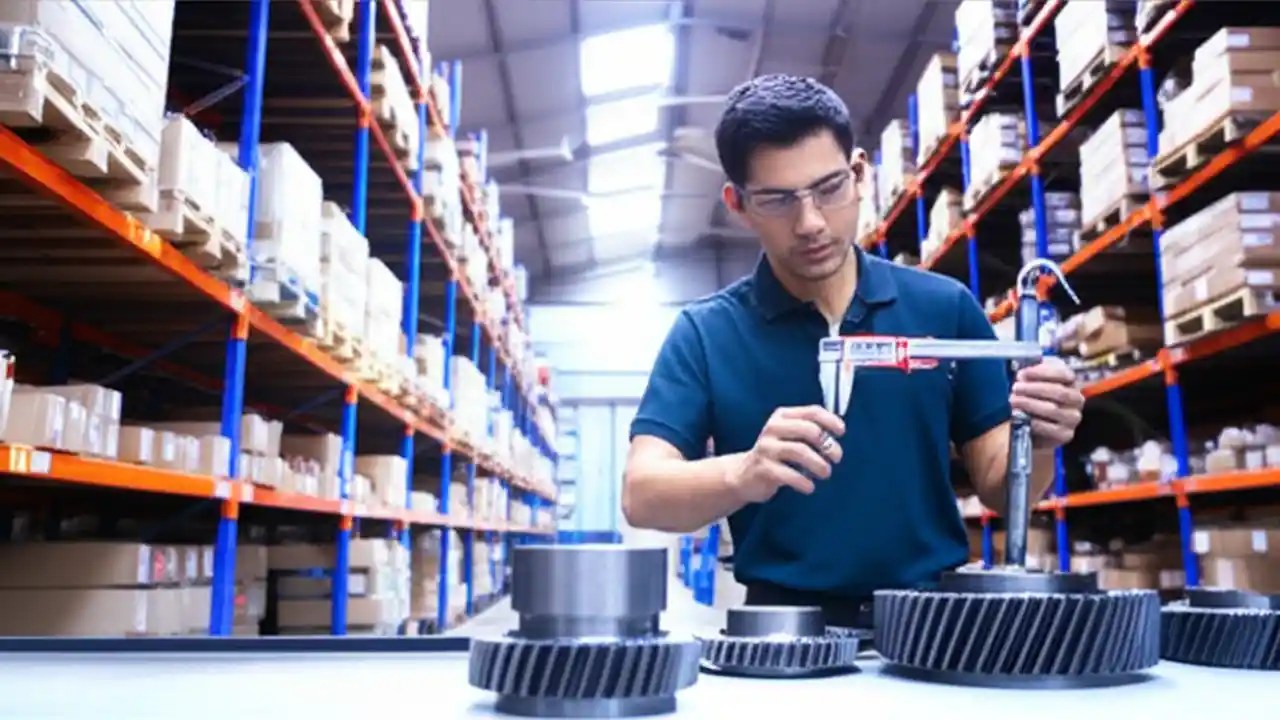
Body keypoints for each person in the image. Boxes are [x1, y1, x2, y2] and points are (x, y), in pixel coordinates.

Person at [621, 75, 1084, 630]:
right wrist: (743, 472)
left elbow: (997, 486)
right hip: (783, 632)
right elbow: (642, 493)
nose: (811, 222)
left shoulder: (946, 309)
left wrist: (1043, 437)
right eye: (777, 200)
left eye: (829, 189)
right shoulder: (705, 333)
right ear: (738, 205)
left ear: (860, 174)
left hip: (932, 625)